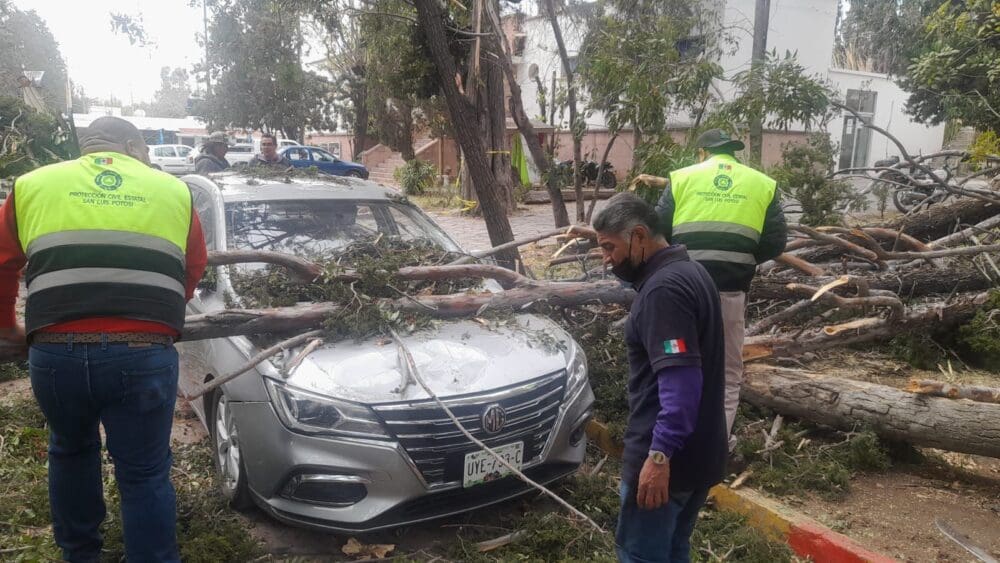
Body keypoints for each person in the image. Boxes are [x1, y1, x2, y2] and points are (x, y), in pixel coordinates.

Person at [0, 116, 208, 562]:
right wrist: (163, 312)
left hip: (56, 354)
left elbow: (2, 263)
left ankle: (80, 554)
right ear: (134, 146)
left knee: (70, 450)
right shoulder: (173, 190)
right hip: (143, 351)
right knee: (144, 472)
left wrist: (6, 327)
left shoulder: (33, 184)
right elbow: (191, 269)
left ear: (86, 146)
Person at [593, 193, 727, 563]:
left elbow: (681, 386)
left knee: (640, 554)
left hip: (669, 462)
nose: (606, 260)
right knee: (673, 550)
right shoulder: (693, 271)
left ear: (638, 236)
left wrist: (658, 457)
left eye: (609, 247)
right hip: (698, 456)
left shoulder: (663, 291)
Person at [632, 129, 787, 443]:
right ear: (732, 153)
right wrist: (741, 261)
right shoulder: (763, 184)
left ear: (702, 153)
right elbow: (774, 242)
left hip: (681, 289)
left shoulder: (682, 178)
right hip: (730, 290)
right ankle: (715, 445)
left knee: (672, 362)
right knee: (728, 373)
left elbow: (659, 234)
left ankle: (668, 439)